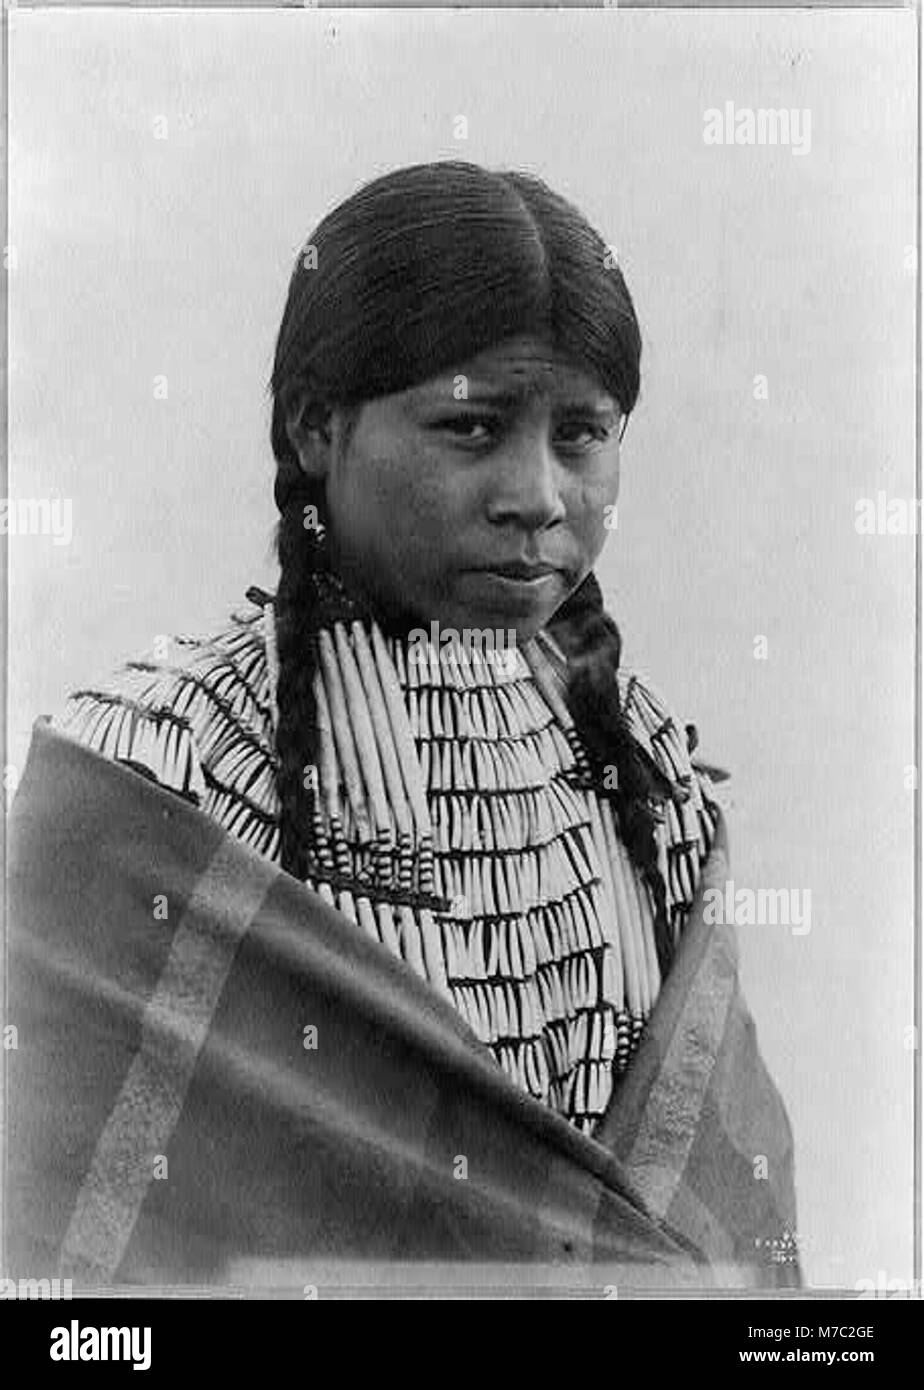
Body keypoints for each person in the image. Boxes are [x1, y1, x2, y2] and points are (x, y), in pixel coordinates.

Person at [7, 161, 799, 1289]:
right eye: (472, 427)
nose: (537, 493)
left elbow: (725, 1236)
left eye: (582, 433)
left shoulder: (646, 779)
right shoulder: (152, 775)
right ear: (316, 428)